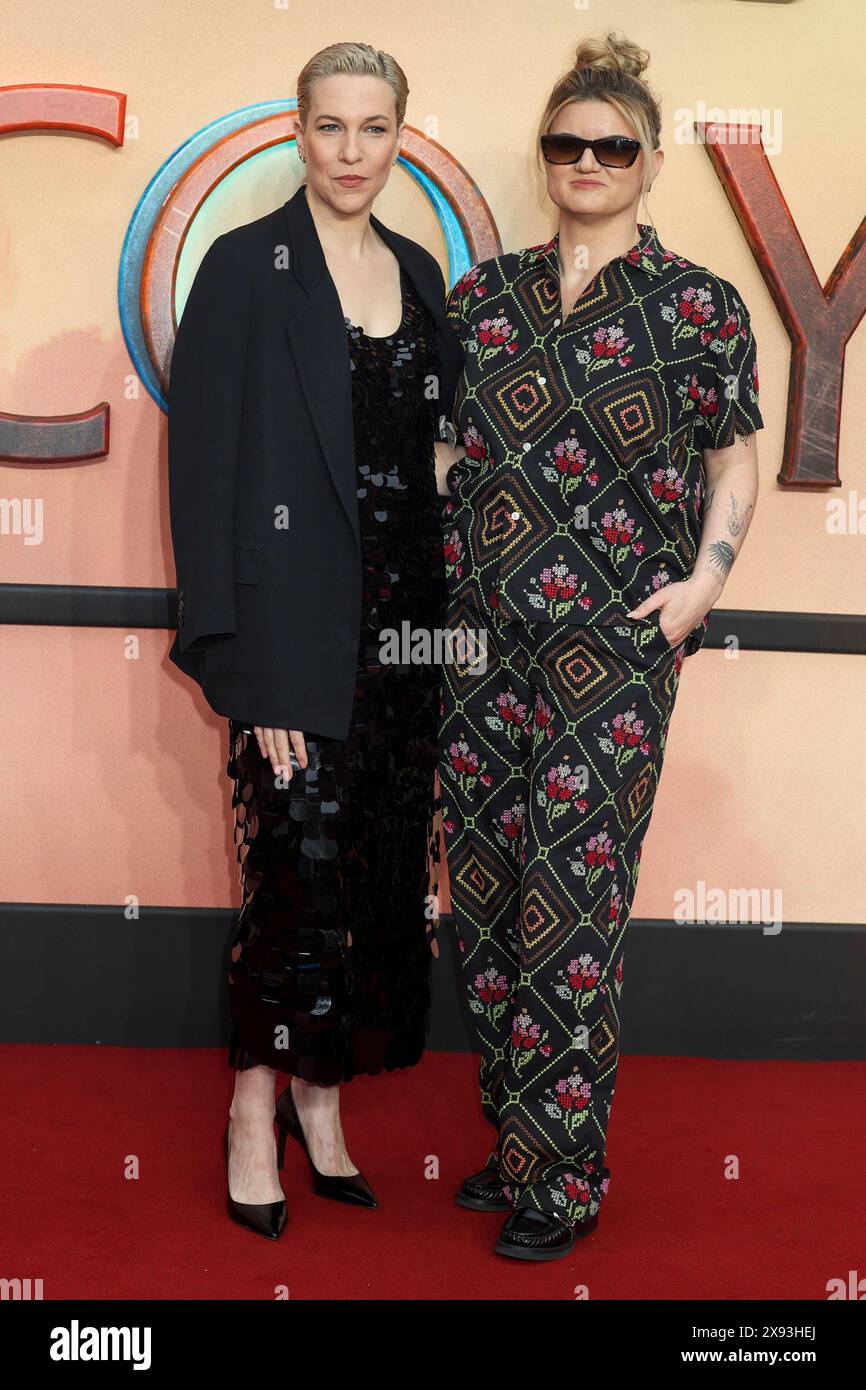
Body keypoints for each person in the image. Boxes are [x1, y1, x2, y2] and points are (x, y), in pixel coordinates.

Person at [437, 31, 764, 1261]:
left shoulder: (699, 308)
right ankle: (515, 1136)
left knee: (570, 906)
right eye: (566, 142)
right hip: (475, 647)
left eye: (611, 146)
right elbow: (445, 450)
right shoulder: (481, 299)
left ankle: (560, 1179)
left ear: (648, 160)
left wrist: (703, 586)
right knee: (482, 896)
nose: (586, 160)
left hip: (613, 652)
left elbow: (733, 462)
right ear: (544, 157)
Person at [167, 42, 464, 1239]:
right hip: (293, 640)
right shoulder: (244, 268)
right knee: (294, 878)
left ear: (401, 137)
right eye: (330, 126)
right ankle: (253, 1109)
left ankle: (320, 1096)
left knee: (376, 884)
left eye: (373, 128)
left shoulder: (421, 274)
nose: (351, 151)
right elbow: (203, 481)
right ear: (298, 131)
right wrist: (245, 669)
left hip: (408, 640)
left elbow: (438, 455)